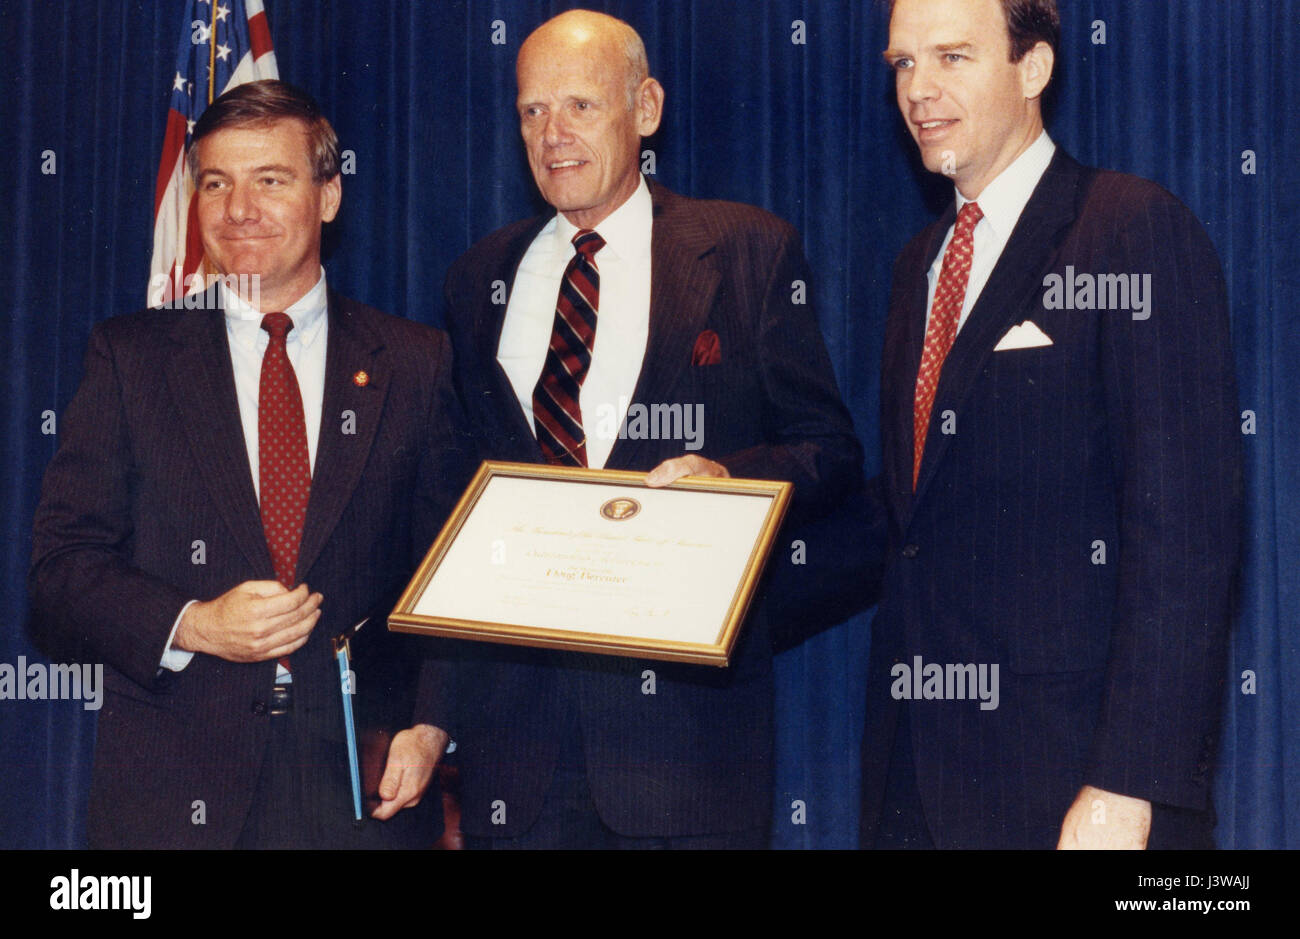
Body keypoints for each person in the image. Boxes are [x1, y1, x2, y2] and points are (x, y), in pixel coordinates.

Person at [416, 10, 862, 848]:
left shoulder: (746, 250)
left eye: (580, 106)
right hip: (519, 757)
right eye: (531, 112)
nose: (553, 136)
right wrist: (435, 713)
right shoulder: (479, 279)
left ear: (646, 107)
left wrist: (731, 484)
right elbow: (454, 508)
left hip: (687, 754)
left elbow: (829, 450)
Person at [29, 80, 468, 849]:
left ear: (328, 195)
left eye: (271, 179)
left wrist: (430, 723)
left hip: (361, 799)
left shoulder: (414, 361)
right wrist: (193, 624)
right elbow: (60, 575)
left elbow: (449, 572)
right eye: (217, 183)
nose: (239, 209)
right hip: (170, 799)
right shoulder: (130, 357)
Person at [861, 0, 1242, 849]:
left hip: (1077, 787)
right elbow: (909, 516)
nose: (919, 89)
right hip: (915, 780)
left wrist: (1127, 782)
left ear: (1033, 69)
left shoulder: (1130, 229)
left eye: (952, 57)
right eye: (902, 64)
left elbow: (1186, 532)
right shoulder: (915, 266)